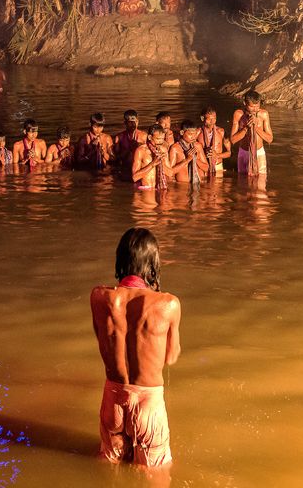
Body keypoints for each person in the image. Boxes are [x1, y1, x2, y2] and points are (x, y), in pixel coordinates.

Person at [90, 228, 181, 467]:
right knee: (155, 476)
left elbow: (101, 339)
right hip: (149, 404)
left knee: (108, 470)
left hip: (113, 400)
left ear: (120, 259)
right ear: (153, 263)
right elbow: (171, 356)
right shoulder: (169, 304)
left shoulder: (99, 297)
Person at [231, 90, 274, 175]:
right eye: (251, 106)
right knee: (242, 180)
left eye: (257, 106)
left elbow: (270, 139)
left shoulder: (264, 114)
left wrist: (256, 127)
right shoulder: (238, 114)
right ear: (245, 103)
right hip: (243, 152)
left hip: (259, 153)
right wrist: (246, 128)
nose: (255, 109)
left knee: (261, 181)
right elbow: (233, 140)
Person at [132, 124, 172, 190]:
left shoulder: (164, 150)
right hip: (146, 189)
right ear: (150, 137)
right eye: (158, 139)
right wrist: (153, 164)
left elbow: (170, 174)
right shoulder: (141, 151)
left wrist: (162, 161)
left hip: (161, 188)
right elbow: (135, 177)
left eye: (162, 139)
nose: (161, 141)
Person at [169, 120, 209, 184]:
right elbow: (170, 172)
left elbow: (206, 168)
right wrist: (187, 160)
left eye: (195, 134)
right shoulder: (175, 148)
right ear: (182, 132)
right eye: (190, 134)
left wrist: (195, 158)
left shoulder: (198, 146)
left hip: (198, 184)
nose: (193, 137)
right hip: (182, 186)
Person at [197, 106, 231, 176]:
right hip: (203, 167)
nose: (212, 122)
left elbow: (229, 153)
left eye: (214, 119)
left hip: (218, 166)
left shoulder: (221, 132)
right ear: (202, 118)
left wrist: (217, 155)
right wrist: (203, 153)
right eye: (210, 119)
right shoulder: (197, 133)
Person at [113, 110, 148, 178]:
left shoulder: (144, 136)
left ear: (138, 122)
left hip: (140, 167)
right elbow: (116, 158)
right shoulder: (119, 137)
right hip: (125, 167)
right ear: (125, 123)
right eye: (130, 122)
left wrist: (140, 146)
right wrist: (129, 149)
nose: (133, 124)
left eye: (135, 122)